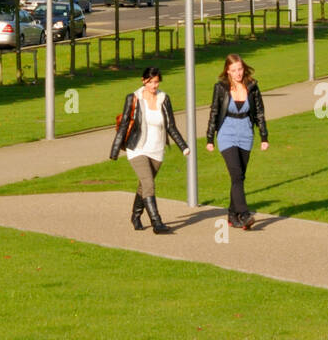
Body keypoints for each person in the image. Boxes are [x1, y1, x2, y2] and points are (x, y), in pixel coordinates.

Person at [110, 66, 190, 234]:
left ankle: (135, 215)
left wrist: (183, 146)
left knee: (144, 186)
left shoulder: (163, 99)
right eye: (151, 82)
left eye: (156, 82)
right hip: (137, 148)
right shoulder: (133, 98)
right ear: (143, 80)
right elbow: (124, 123)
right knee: (149, 183)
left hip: (156, 150)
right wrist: (115, 149)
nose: (154, 85)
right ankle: (157, 222)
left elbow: (171, 126)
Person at [206, 54, 268, 230]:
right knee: (236, 174)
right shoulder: (221, 88)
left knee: (239, 177)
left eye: (240, 69)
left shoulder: (252, 87)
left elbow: (259, 113)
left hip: (246, 133)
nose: (238, 73)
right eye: (233, 70)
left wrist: (264, 137)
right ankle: (244, 213)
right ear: (228, 71)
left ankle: (232, 215)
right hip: (227, 133)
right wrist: (210, 138)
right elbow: (214, 113)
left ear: (244, 68)